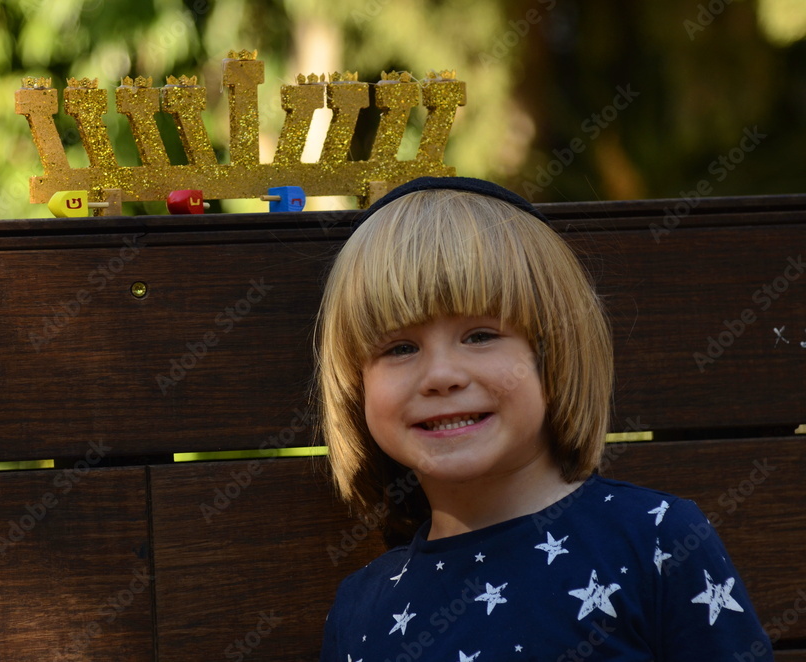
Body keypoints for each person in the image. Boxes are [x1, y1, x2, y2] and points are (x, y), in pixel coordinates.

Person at [315, 177, 773, 661]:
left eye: (480, 335)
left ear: (553, 355)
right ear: (355, 386)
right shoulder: (360, 609)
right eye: (400, 348)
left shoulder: (658, 540)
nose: (441, 375)